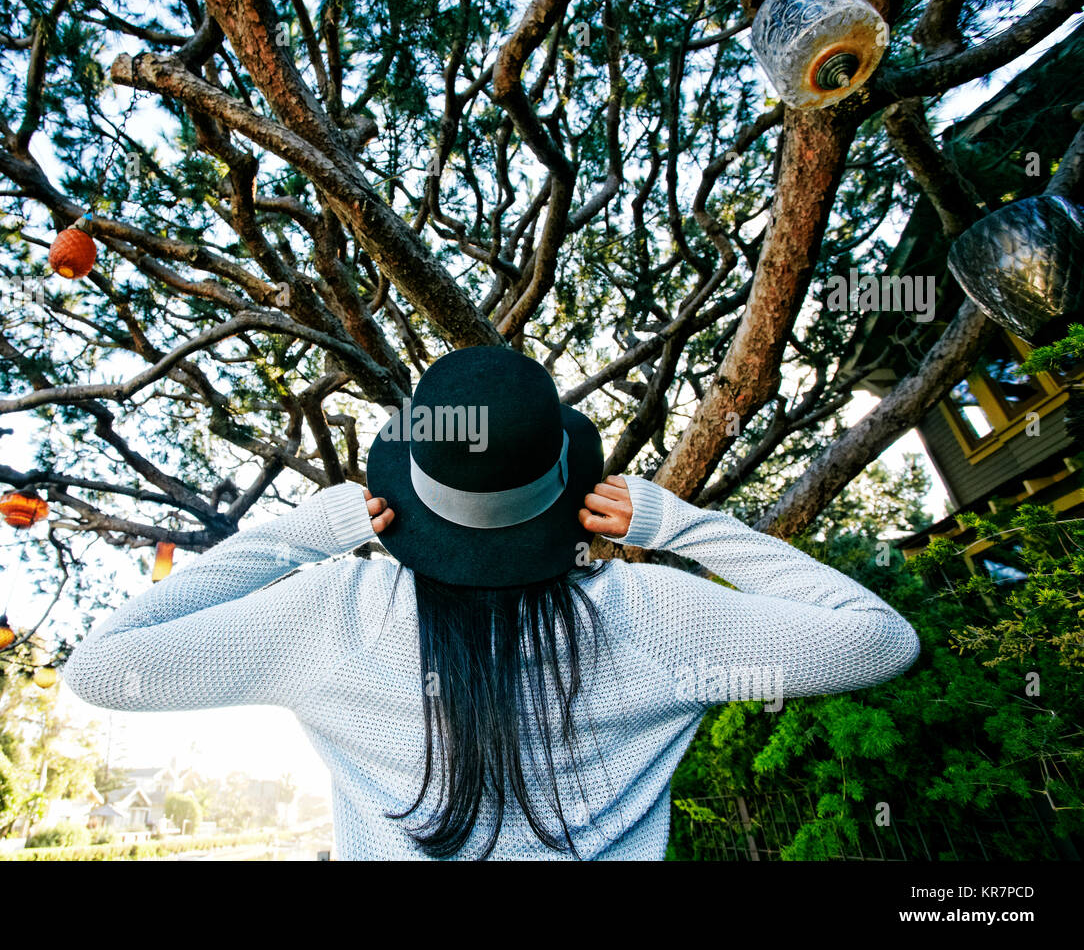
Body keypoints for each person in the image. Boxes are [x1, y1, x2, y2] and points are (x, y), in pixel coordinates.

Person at [64, 346, 919, 860]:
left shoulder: (335, 611)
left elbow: (102, 668)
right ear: (563, 481)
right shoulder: (651, 615)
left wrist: (299, 535)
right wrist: (678, 524)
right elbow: (879, 640)